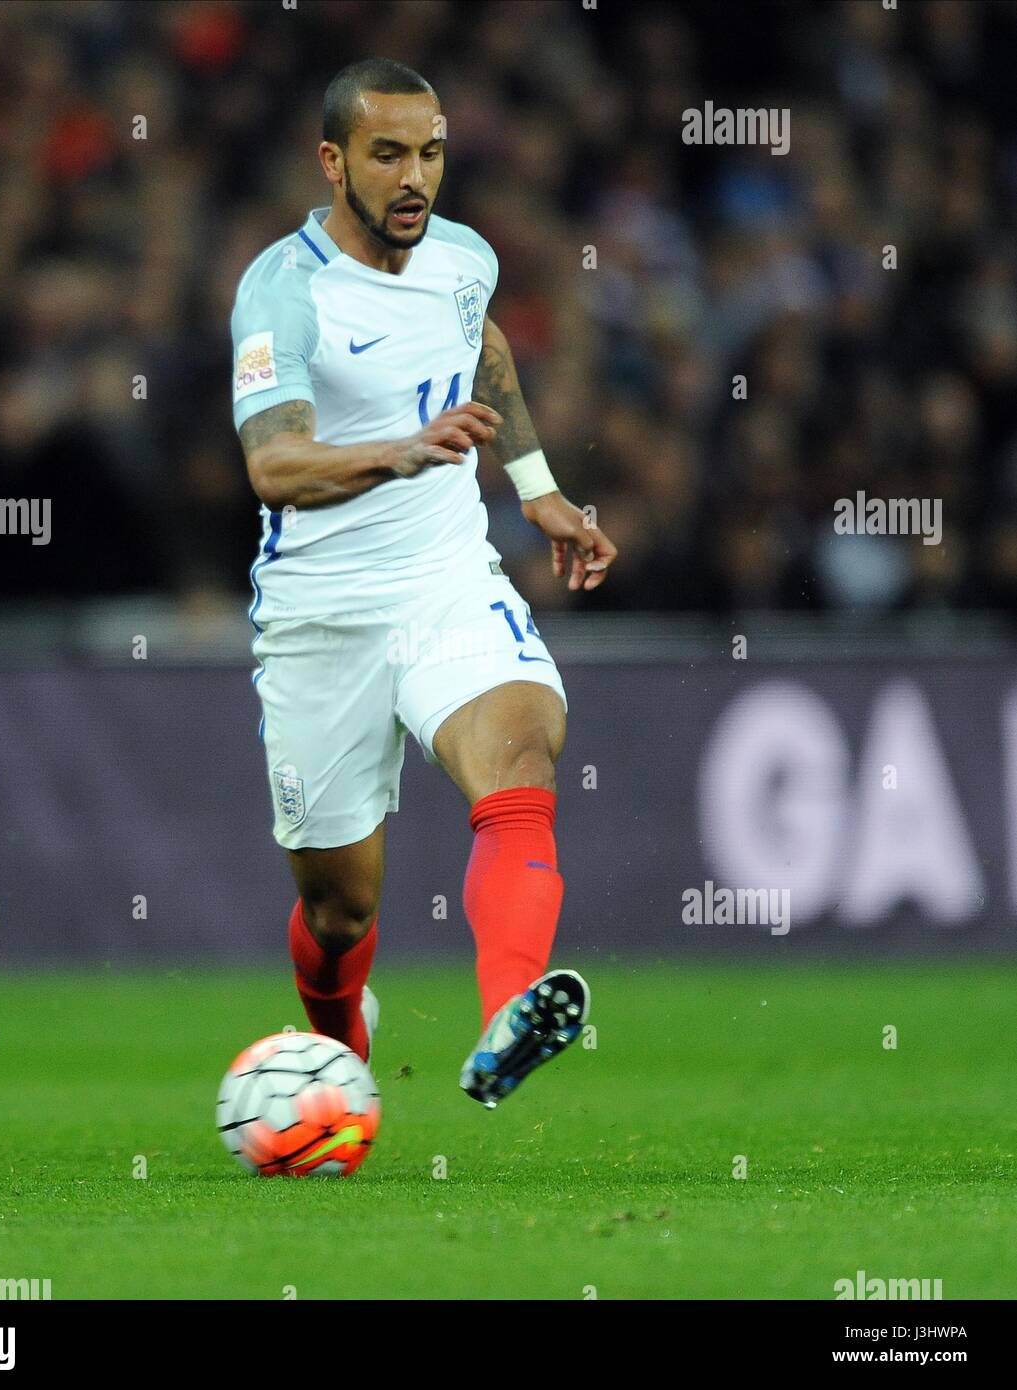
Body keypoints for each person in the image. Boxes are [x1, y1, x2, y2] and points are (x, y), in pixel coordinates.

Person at [231, 59, 617, 1108]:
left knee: (522, 747)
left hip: (444, 575)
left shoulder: (462, 259)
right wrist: (398, 450)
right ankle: (337, 1041)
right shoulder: (283, 290)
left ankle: (508, 1014)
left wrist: (535, 488)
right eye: (388, 153)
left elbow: (479, 345)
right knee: (339, 910)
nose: (415, 177)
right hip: (323, 611)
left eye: (431, 153)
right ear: (333, 160)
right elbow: (274, 464)